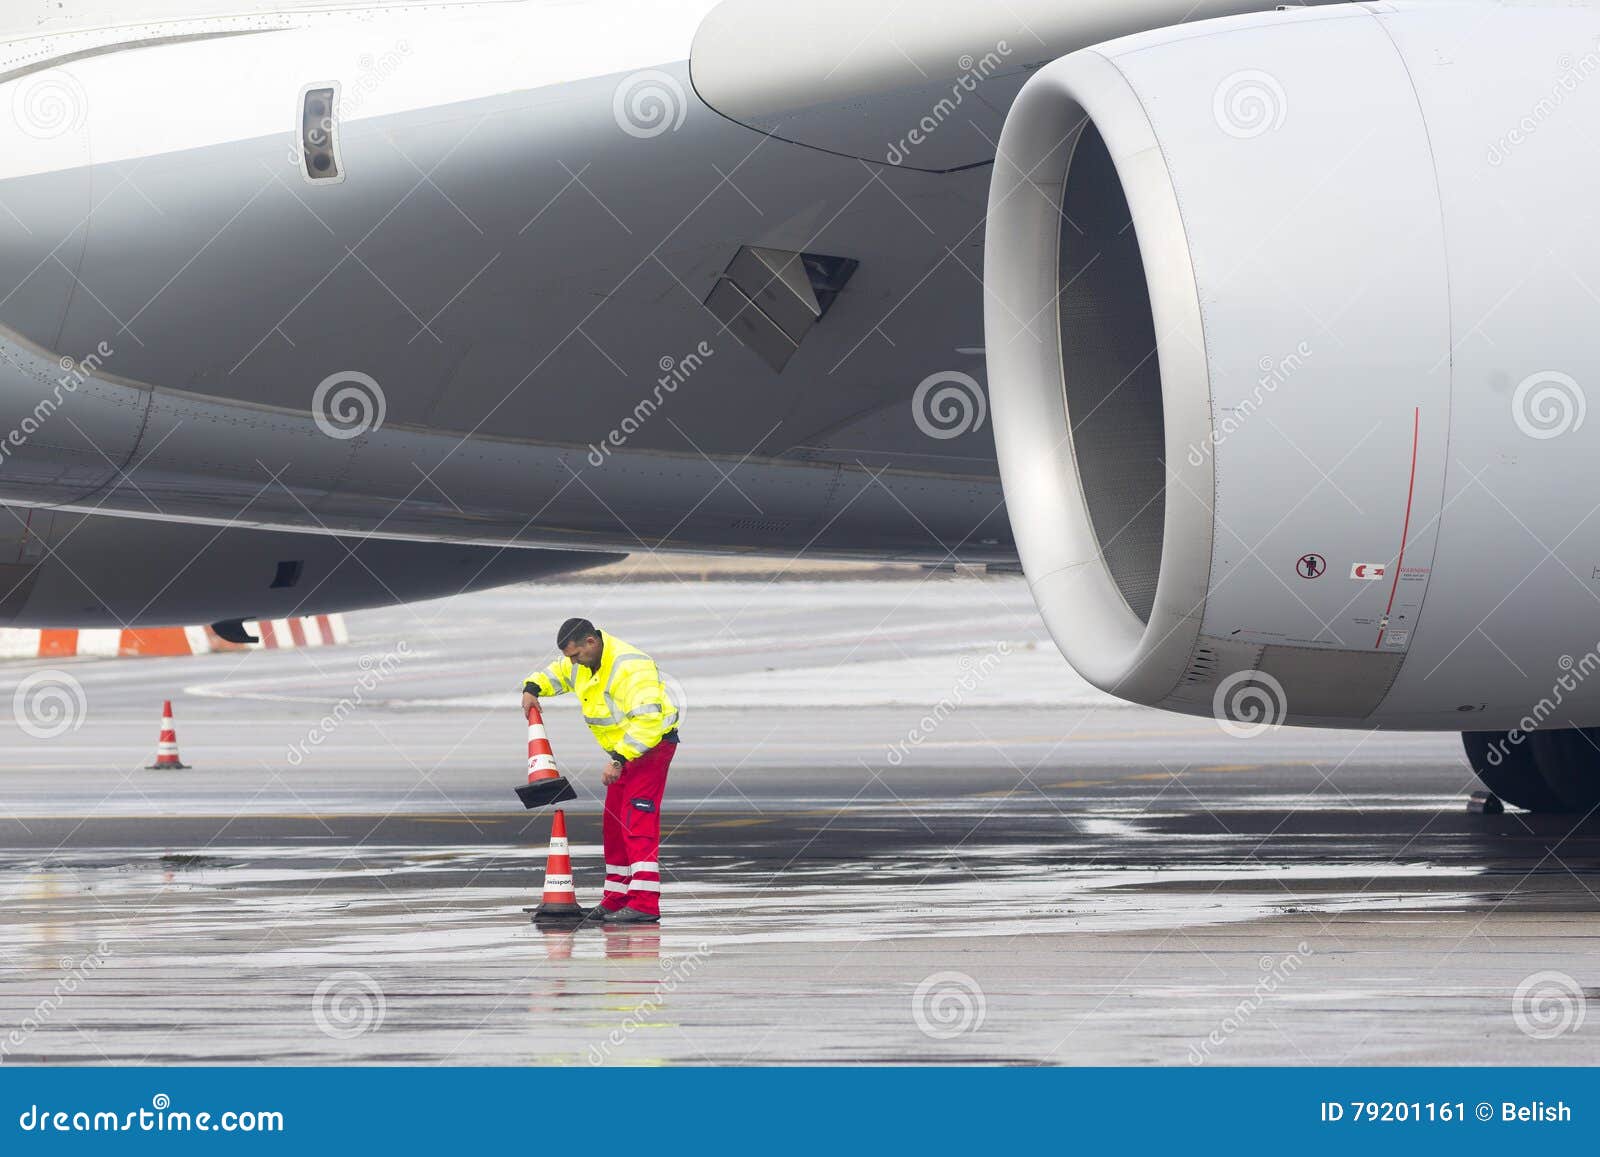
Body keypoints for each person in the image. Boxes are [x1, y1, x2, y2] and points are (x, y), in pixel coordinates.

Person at [522, 618, 679, 924]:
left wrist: (619, 759)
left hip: (650, 749)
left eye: (576, 655)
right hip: (624, 752)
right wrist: (532, 688)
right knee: (614, 825)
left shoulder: (630, 668)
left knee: (637, 822)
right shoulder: (583, 663)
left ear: (590, 642)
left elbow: (648, 723)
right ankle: (616, 898)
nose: (573, 663)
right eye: (570, 657)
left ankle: (645, 903)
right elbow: (556, 674)